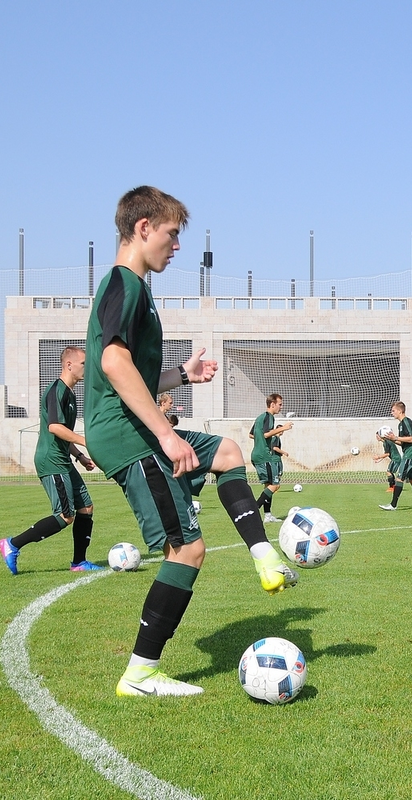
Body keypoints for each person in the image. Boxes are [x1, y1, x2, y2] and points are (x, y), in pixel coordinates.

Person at [85, 186, 297, 698]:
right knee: (187, 550)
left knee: (228, 451)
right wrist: (165, 433)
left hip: (132, 426)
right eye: (171, 234)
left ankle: (265, 557)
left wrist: (180, 375)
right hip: (126, 435)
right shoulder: (125, 283)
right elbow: (112, 365)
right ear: (142, 229)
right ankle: (139, 674)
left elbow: (129, 371)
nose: (176, 246)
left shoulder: (135, 288)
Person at [0, 347, 101, 575]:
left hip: (63, 459)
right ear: (69, 365)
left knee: (86, 507)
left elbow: (63, 431)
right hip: (51, 461)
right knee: (65, 515)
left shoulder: (70, 394)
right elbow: (54, 427)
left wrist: (80, 456)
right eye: (84, 363)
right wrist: (86, 442)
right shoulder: (57, 390)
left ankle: (79, 562)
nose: (87, 367)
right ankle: (12, 544)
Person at [250, 393, 292, 523]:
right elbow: (266, 434)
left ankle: (267, 515)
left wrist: (261, 440)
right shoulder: (269, 417)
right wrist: (283, 428)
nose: (281, 406)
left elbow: (251, 435)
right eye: (280, 404)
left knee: (268, 486)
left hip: (257, 454)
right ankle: (253, 511)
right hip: (264, 456)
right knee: (275, 485)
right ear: (272, 404)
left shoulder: (259, 418)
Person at [380, 401, 412, 511]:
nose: (391, 413)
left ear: (400, 411)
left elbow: (411, 438)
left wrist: (395, 438)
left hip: (411, 454)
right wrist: (391, 439)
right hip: (410, 453)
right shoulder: (400, 424)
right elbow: (403, 442)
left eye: (393, 411)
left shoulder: (406, 421)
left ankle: (393, 505)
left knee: (399, 478)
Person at [373, 422, 402, 496]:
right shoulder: (385, 442)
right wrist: (379, 459)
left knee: (389, 472)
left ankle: (392, 487)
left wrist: (378, 457)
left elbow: (387, 454)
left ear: (381, 435)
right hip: (395, 458)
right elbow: (387, 453)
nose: (377, 437)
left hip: (396, 459)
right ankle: (393, 486)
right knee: (390, 472)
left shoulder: (387, 442)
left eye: (377, 436)